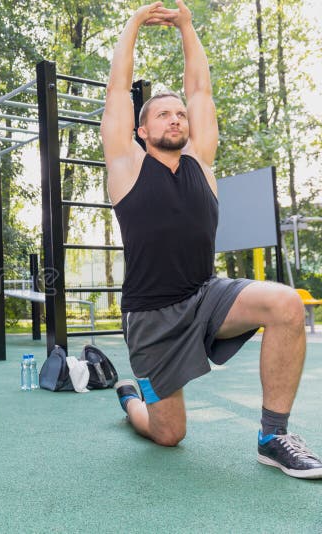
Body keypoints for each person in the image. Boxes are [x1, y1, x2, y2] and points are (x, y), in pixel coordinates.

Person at [101, 1, 322, 479]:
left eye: (180, 114)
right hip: (152, 318)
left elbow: (199, 87)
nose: (175, 119)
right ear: (141, 130)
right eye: (162, 115)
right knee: (168, 435)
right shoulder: (126, 165)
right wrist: (134, 23)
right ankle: (130, 399)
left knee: (285, 304)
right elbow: (118, 88)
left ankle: (273, 435)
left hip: (204, 296)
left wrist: (187, 26)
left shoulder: (201, 163)